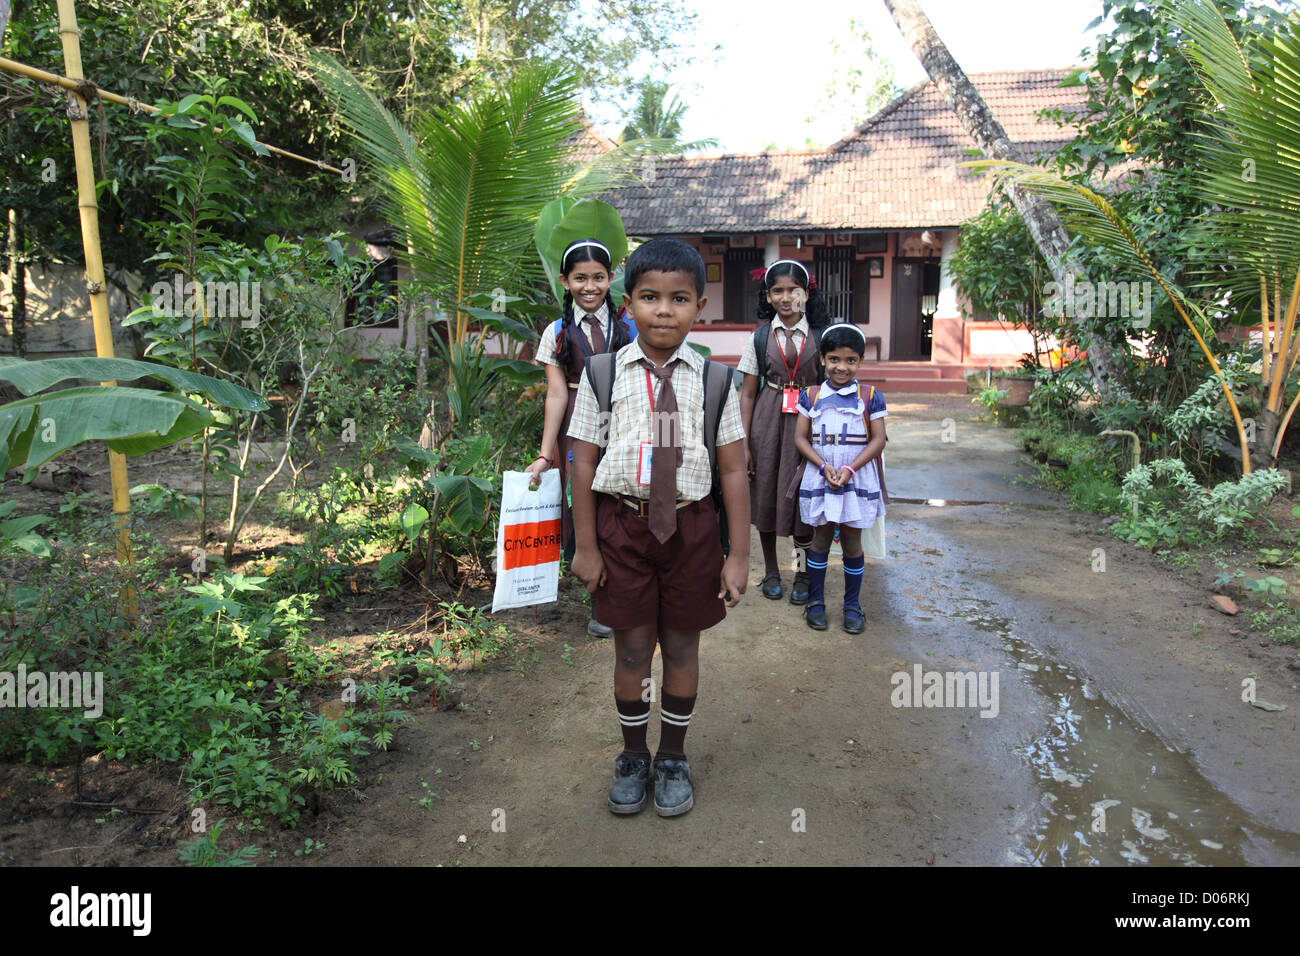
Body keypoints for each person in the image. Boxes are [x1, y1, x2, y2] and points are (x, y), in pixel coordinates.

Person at [567, 237, 750, 817]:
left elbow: (733, 470)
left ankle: (672, 755)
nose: (664, 310)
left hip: (692, 532)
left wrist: (739, 554)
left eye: (679, 298)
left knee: (679, 645)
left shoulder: (717, 381)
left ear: (699, 306)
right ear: (628, 304)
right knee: (631, 651)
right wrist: (587, 546)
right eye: (650, 297)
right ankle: (631, 754)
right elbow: (584, 462)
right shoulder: (602, 374)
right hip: (623, 529)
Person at [526, 238, 635, 639]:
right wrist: (545, 455)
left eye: (598, 277)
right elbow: (555, 394)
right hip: (576, 423)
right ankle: (599, 599)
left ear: (610, 278)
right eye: (580, 278)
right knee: (583, 503)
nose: (590, 286)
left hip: (624, 419)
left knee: (624, 499)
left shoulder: (630, 325)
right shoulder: (556, 333)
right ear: (565, 282)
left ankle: (628, 590)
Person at [738, 259, 830, 605]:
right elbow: (747, 393)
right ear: (768, 295)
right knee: (765, 493)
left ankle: (802, 573)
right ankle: (772, 571)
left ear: (807, 294)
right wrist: (744, 442)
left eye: (794, 290)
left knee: (804, 498)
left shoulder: (822, 335)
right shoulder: (760, 337)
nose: (786, 297)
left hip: (809, 422)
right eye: (778, 290)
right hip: (767, 420)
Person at [791, 322, 887, 634]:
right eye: (834, 359)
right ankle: (816, 602)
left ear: (860, 361)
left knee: (851, 540)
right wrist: (823, 466)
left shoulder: (871, 396)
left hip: (855, 478)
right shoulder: (810, 396)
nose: (841, 367)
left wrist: (850, 469)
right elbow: (801, 439)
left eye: (850, 360)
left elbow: (878, 440)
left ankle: (851, 605)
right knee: (820, 537)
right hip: (821, 477)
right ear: (822, 359)